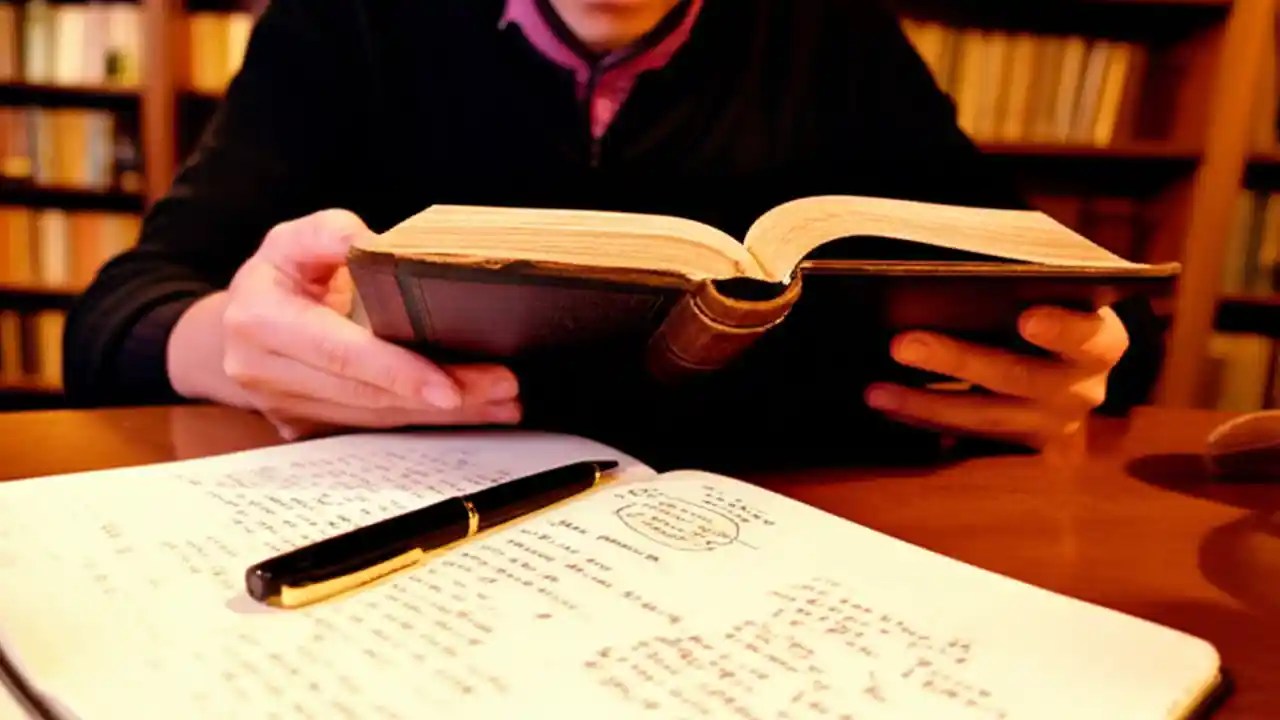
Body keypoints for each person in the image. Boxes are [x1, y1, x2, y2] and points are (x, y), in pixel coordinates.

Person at [63, 0, 1162, 467]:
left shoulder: (830, 32)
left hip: (757, 532)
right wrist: (234, 345)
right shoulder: (346, 19)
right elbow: (117, 313)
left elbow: (1085, 306)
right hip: (397, 516)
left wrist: (1066, 365)